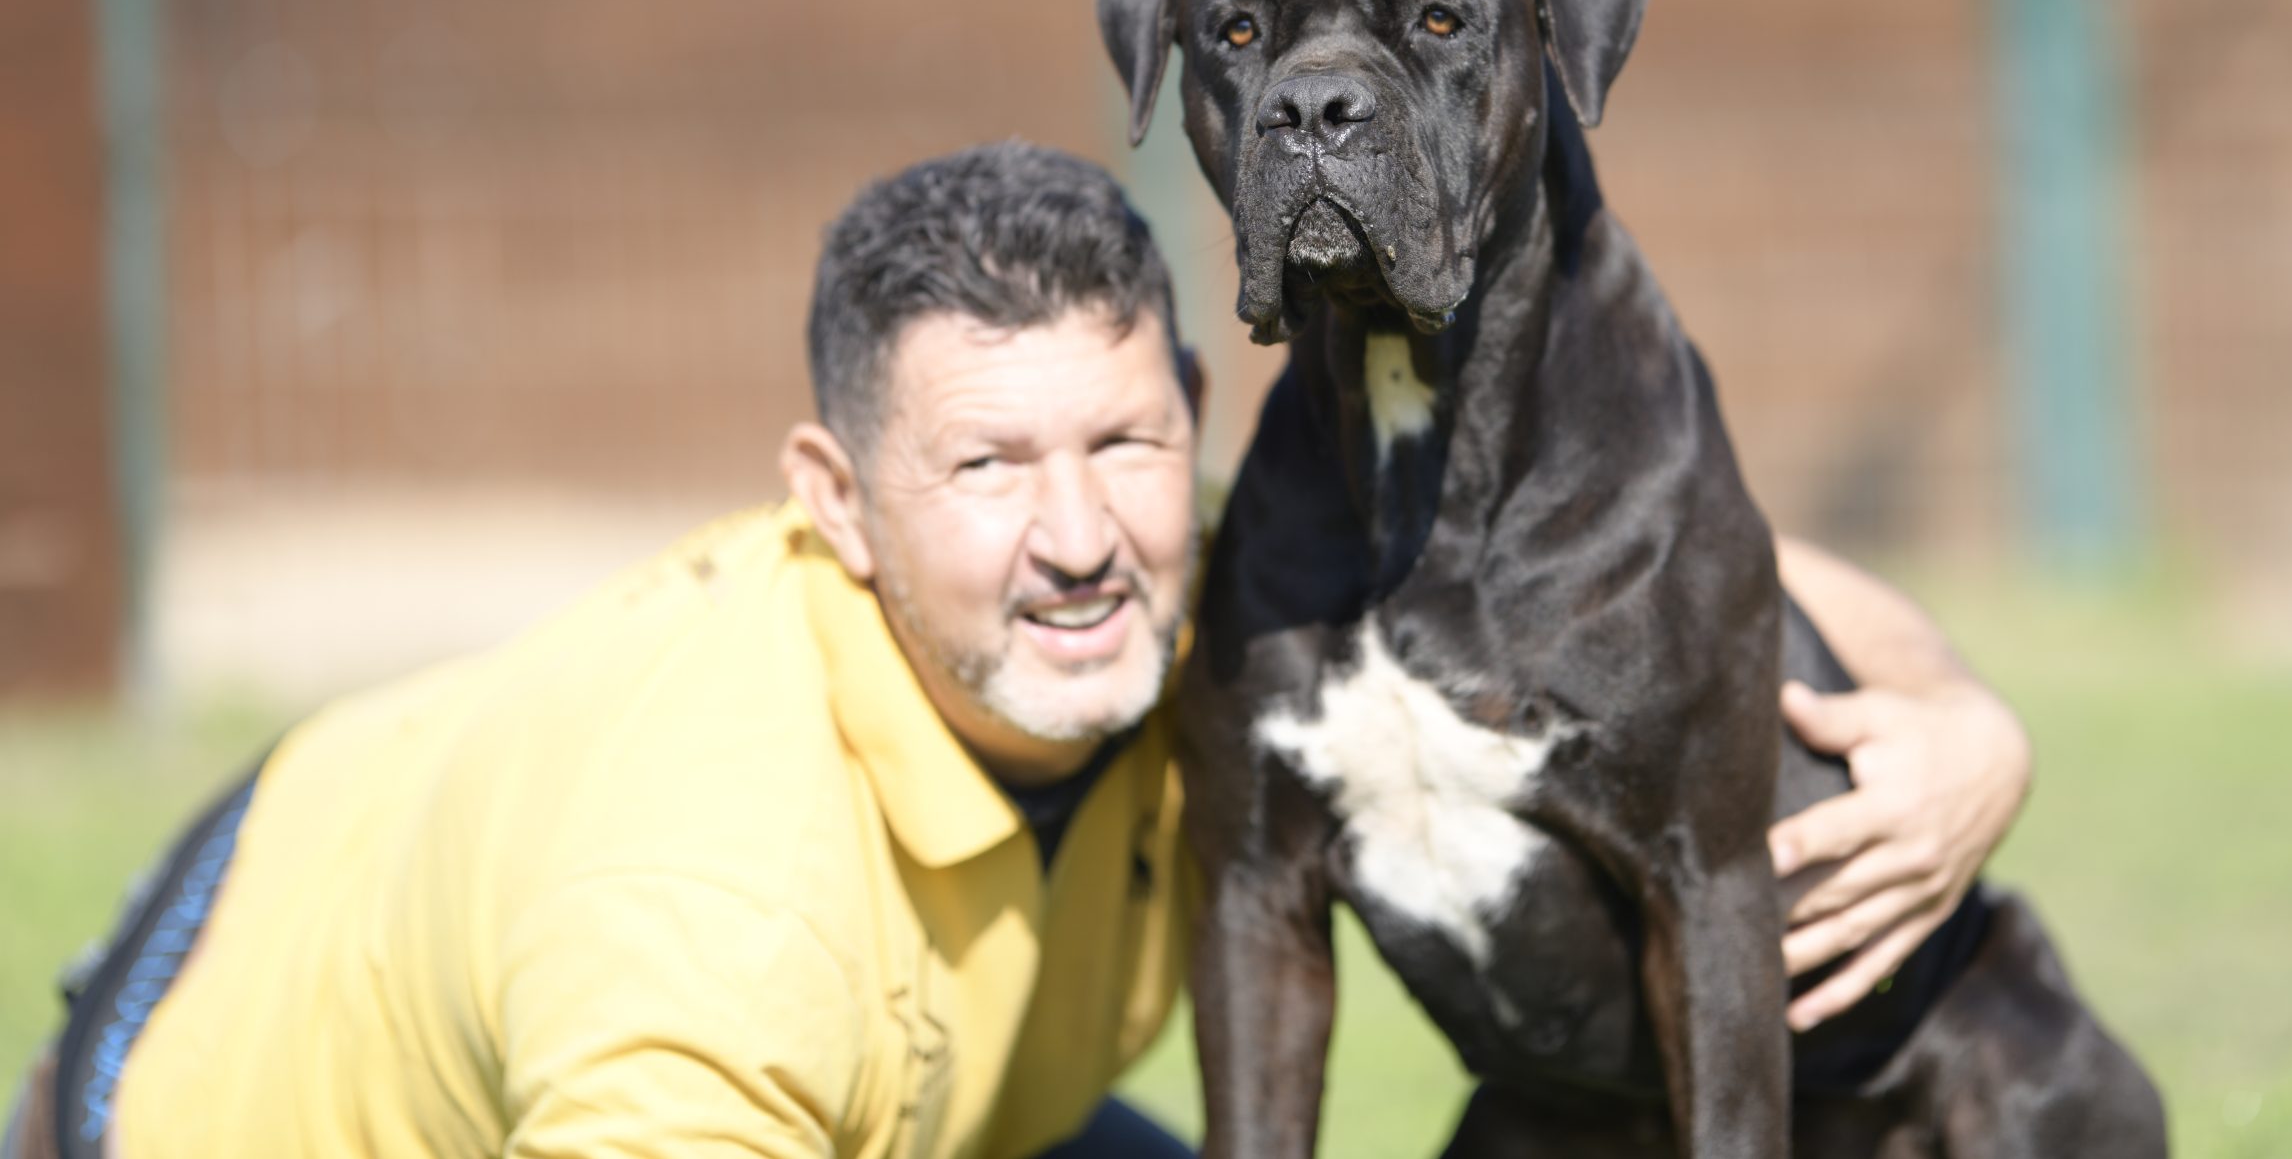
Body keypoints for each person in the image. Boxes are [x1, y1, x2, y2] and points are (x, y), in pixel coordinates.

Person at [1, 142, 2028, 1159]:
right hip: (215, 1064)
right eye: (982, 464)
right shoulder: (709, 919)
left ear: (1200, 437)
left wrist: (1948, 720)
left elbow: (1692, 561)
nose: (1075, 538)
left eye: (1122, 442)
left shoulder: (1216, 606)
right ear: (835, 495)